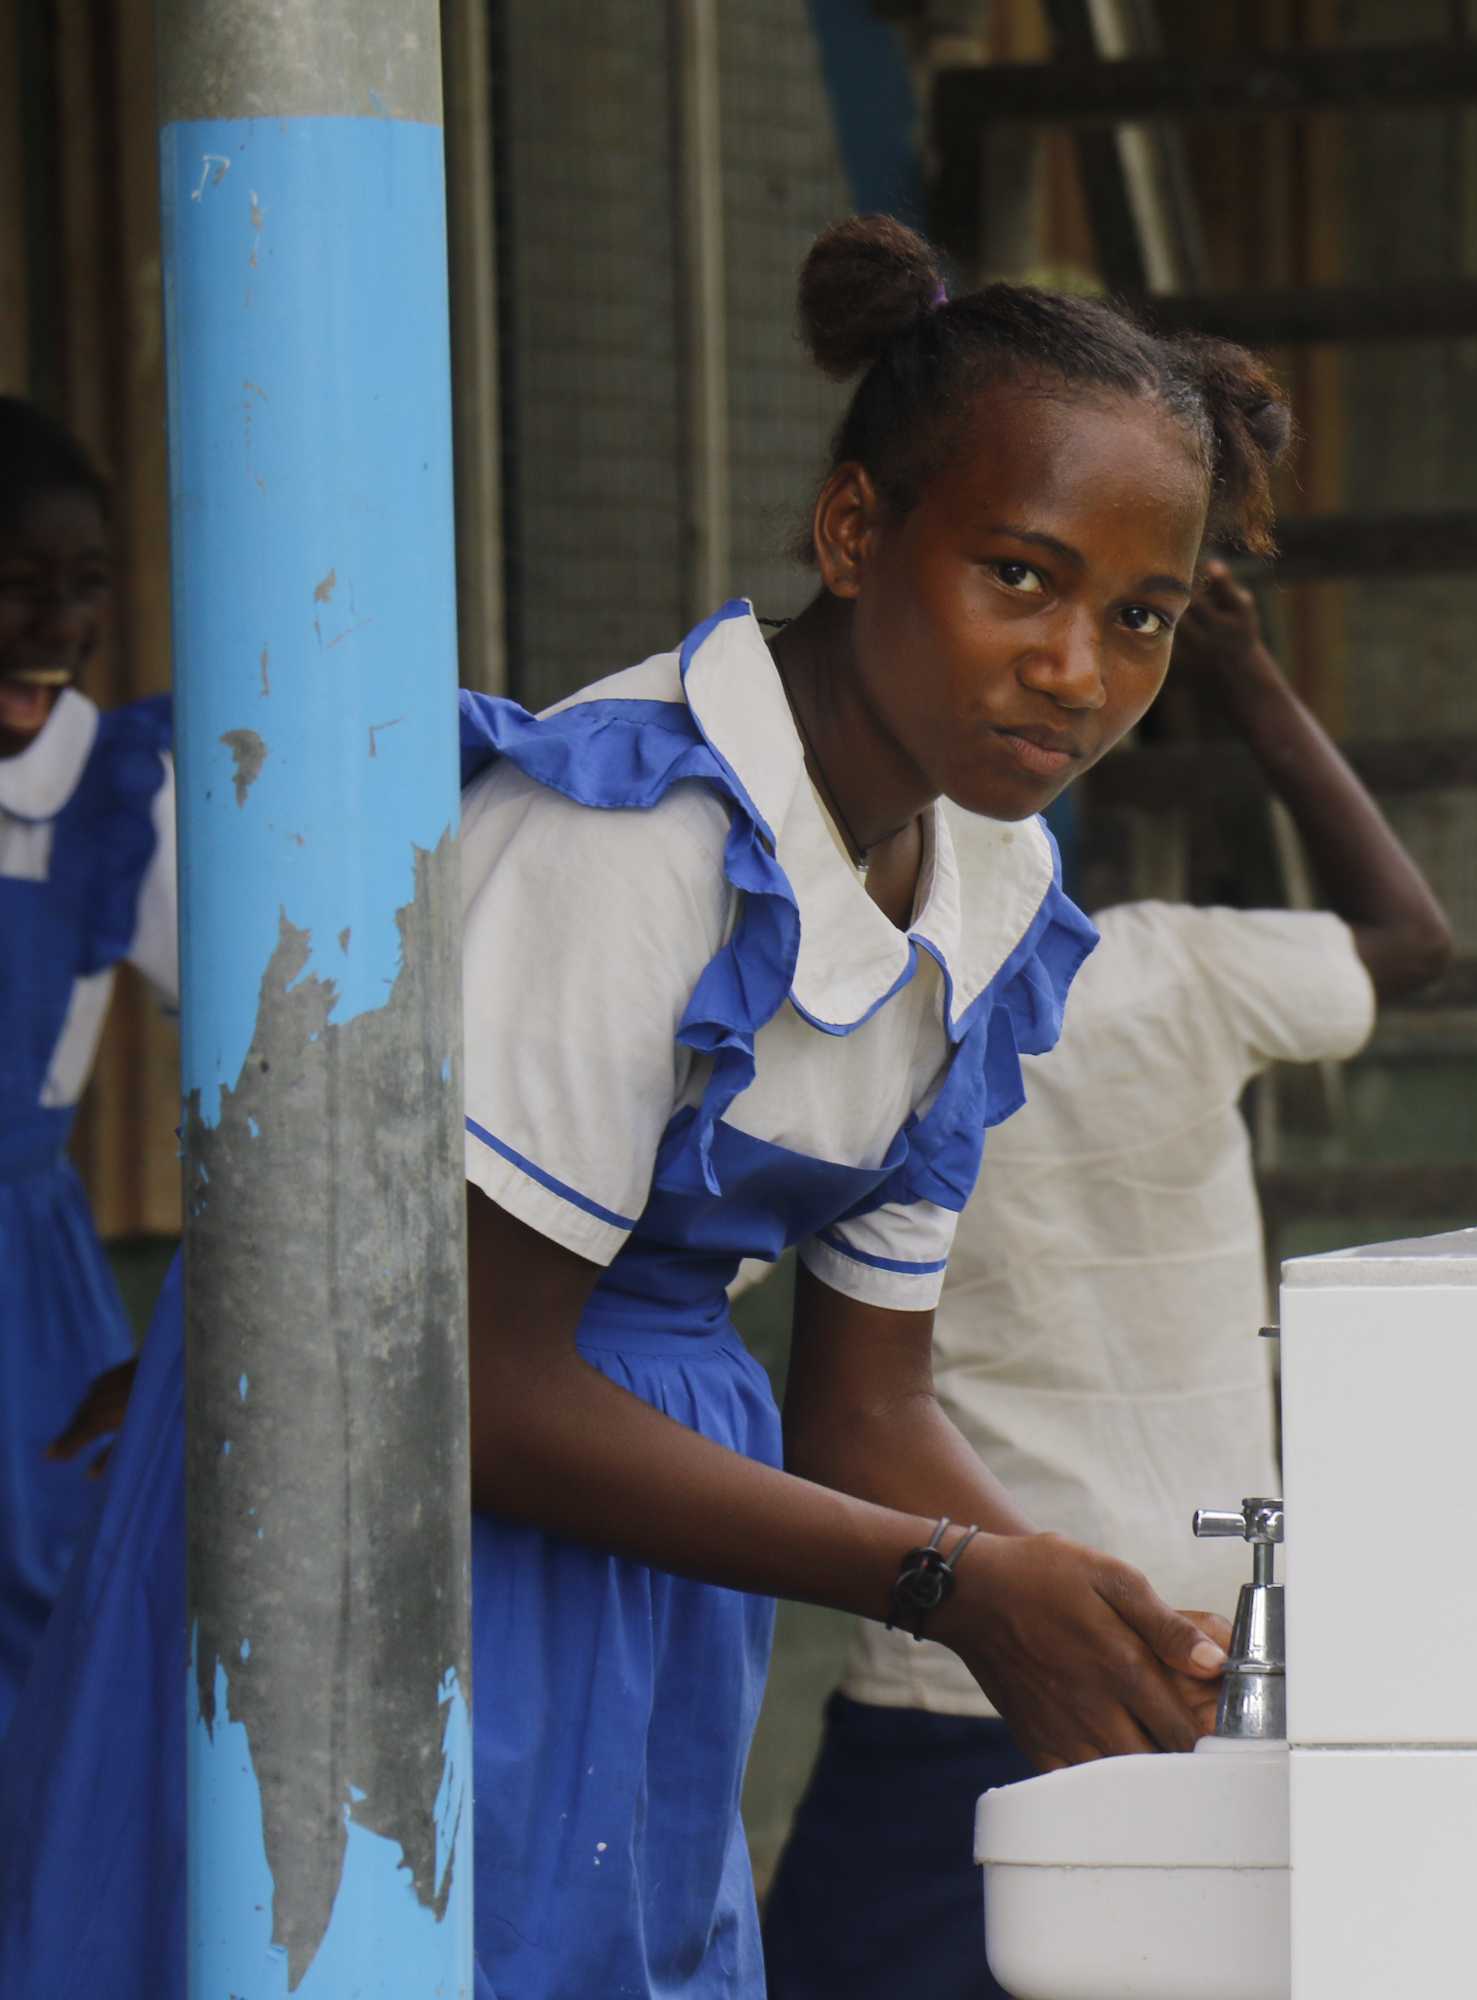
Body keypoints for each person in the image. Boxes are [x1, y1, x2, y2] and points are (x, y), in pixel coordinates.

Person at [0, 214, 1298, 1999]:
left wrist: (1063, 1599)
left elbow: (862, 1406)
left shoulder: (988, 888)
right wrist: (948, 1582)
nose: (1078, 667)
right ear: (856, 533)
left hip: (649, 1533)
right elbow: (458, 1378)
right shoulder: (636, 839)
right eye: (1021, 578)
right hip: (396, 1515)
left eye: (1140, 616)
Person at [760, 559, 1451, 1996]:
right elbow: (1410, 939)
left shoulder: (834, 1009)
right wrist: (1246, 677)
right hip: (1211, 1637)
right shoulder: (1172, 971)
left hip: (962, 1637)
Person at [0, 398, 172, 1742]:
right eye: (14, 587)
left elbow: (298, 1034)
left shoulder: (118, 796)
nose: (53, 624)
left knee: (51, 1630)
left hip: (29, 1300)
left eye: (84, 587)